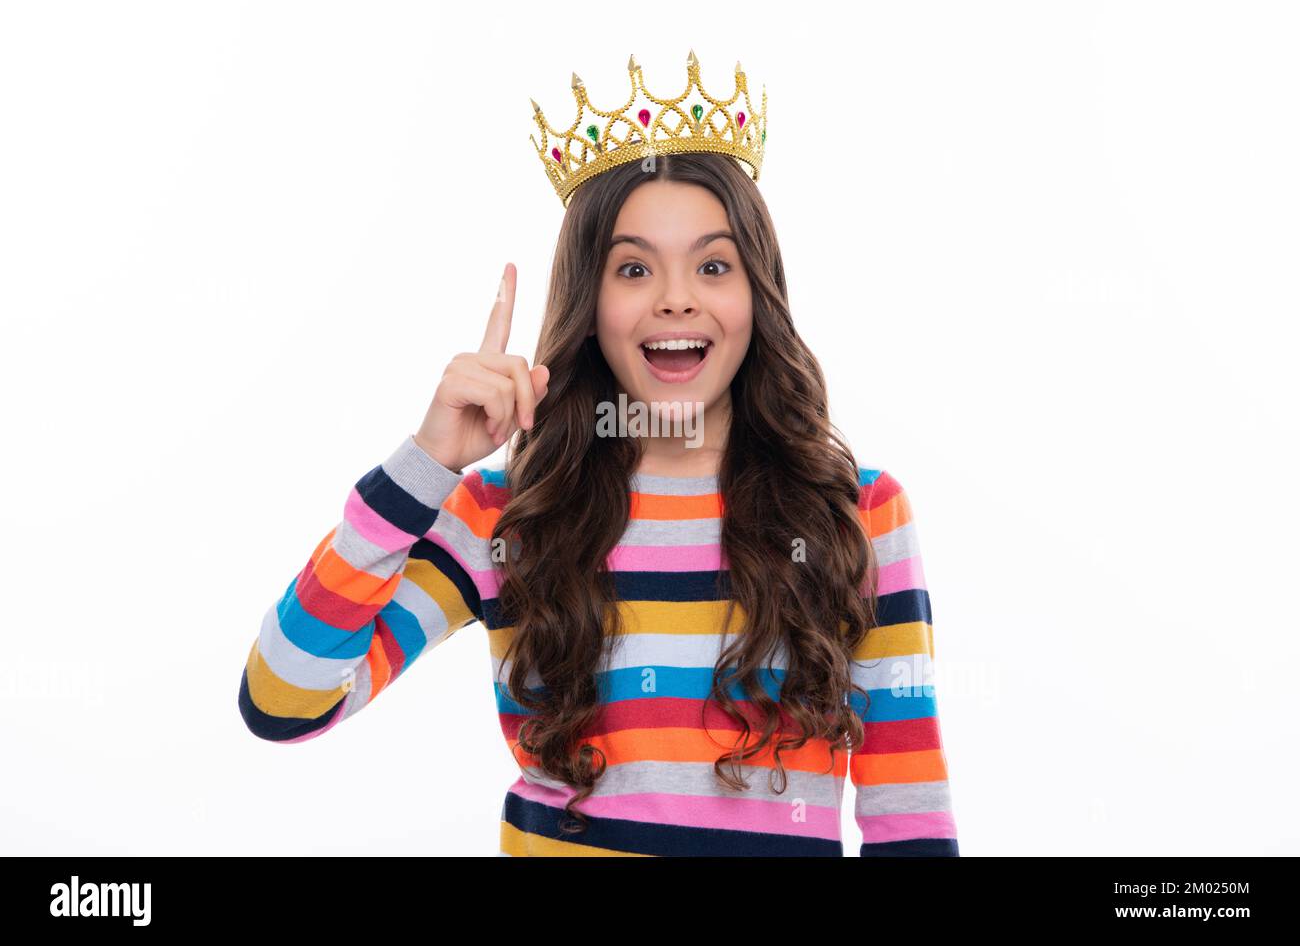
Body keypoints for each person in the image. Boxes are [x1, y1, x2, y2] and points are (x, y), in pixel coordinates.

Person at [238, 53, 959, 857]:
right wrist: (427, 463)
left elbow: (910, 816)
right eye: (634, 268)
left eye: (714, 265)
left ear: (758, 294)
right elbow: (285, 701)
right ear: (592, 305)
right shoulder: (504, 514)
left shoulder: (858, 512)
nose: (675, 297)